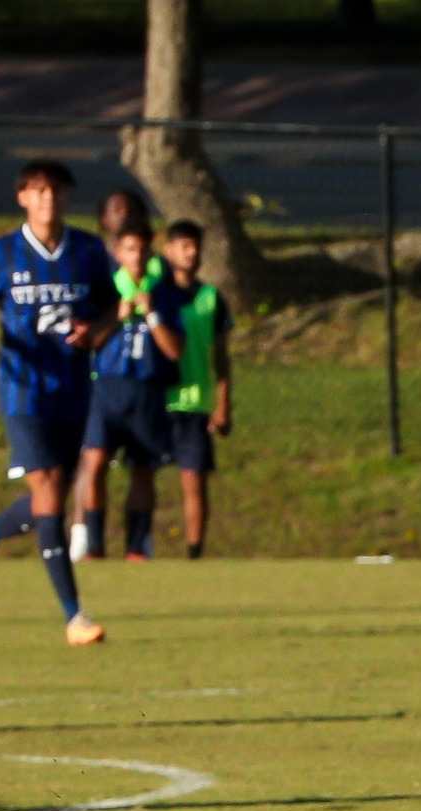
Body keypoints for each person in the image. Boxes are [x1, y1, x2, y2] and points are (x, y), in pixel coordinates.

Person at [0, 158, 114, 646]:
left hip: (72, 388)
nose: (48, 200)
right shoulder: (2, 252)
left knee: (54, 496)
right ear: (22, 197)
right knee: (47, 490)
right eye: (38, 191)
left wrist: (98, 331)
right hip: (21, 388)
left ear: (67, 198)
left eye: (56, 191)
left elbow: (113, 305)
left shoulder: (87, 250)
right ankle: (74, 616)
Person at [79, 221, 185, 562]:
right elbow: (89, 341)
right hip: (106, 389)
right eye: (129, 250)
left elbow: (174, 350)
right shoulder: (106, 290)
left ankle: (137, 546)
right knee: (94, 464)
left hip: (147, 390)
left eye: (142, 250)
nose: (136, 257)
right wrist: (116, 316)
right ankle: (94, 543)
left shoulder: (164, 293)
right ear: (117, 253)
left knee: (143, 471)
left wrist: (151, 313)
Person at [160, 219, 231, 559]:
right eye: (185, 245)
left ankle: (194, 553)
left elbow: (221, 357)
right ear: (168, 249)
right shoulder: (156, 296)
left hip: (195, 403)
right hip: (157, 401)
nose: (192, 253)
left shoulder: (210, 298)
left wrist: (223, 403)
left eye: (196, 246)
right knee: (141, 477)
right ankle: (136, 549)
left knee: (194, 482)